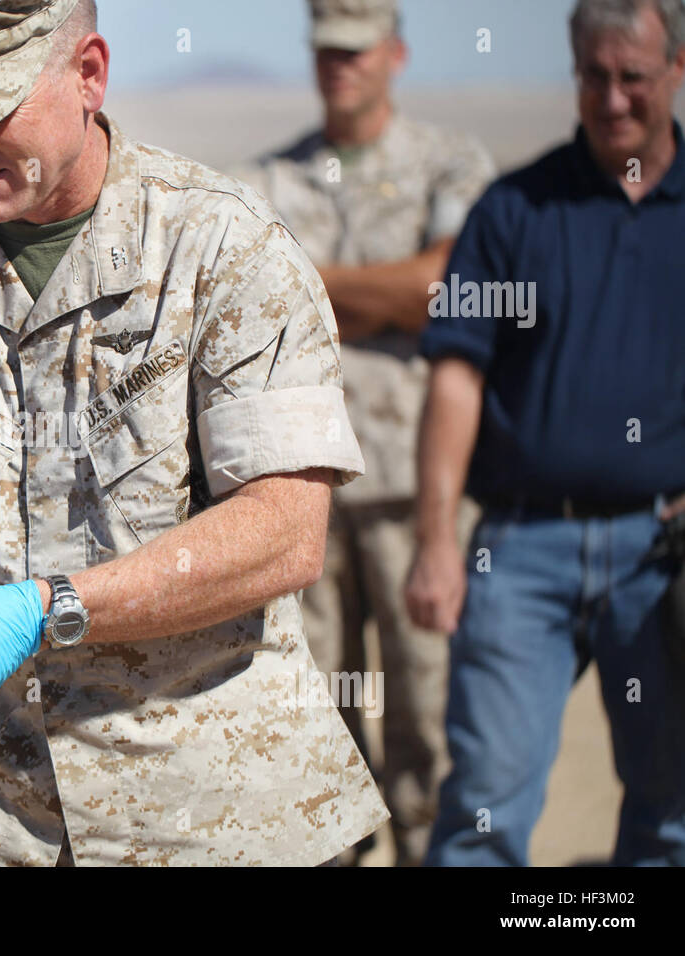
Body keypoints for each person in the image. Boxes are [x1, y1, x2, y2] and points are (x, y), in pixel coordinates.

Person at [0, 0, 390, 866]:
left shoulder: (224, 250)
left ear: (89, 74)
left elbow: (284, 534)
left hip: (207, 809)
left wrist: (49, 611)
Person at [407, 0, 685, 866]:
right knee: (483, 809)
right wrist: (437, 541)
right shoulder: (510, 210)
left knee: (671, 812)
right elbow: (455, 376)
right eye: (593, 77)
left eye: (632, 77)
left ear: (677, 68)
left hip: (664, 554)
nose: (611, 100)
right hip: (519, 554)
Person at [234, 0, 494, 866]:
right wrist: (374, 296)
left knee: (428, 702)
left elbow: (439, 289)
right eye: (325, 52)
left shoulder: (450, 163)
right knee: (314, 703)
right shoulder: (268, 179)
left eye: (356, 51)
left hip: (416, 482)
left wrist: (309, 286)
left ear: (396, 53)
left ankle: (432, 849)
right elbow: (246, 301)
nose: (339, 65)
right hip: (300, 481)